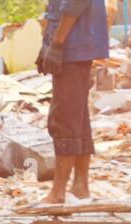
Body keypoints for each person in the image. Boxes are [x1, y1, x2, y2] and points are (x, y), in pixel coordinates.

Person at [37, 0, 109, 205]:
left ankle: (58, 192)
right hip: (74, 43)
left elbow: (76, 3)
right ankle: (80, 187)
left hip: (73, 44)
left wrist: (57, 44)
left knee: (65, 116)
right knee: (77, 116)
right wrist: (47, 45)